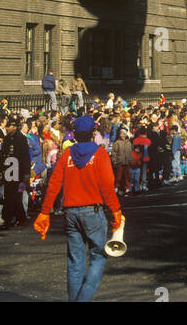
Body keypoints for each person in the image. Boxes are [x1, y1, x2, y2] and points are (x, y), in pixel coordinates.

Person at [35, 115, 122, 303]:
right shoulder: (100, 154)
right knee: (98, 256)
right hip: (93, 211)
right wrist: (115, 210)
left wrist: (44, 212)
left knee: (75, 262)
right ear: (93, 133)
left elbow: (54, 184)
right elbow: (107, 186)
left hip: (70, 212)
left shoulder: (67, 155)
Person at [0, 116, 32, 226]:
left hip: (20, 172)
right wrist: (1, 169)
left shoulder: (21, 139)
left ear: (14, 127)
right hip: (9, 171)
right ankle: (9, 217)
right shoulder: (7, 138)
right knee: (8, 195)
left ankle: (19, 217)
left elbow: (25, 156)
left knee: (18, 194)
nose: (8, 128)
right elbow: (3, 155)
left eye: (10, 126)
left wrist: (26, 173)